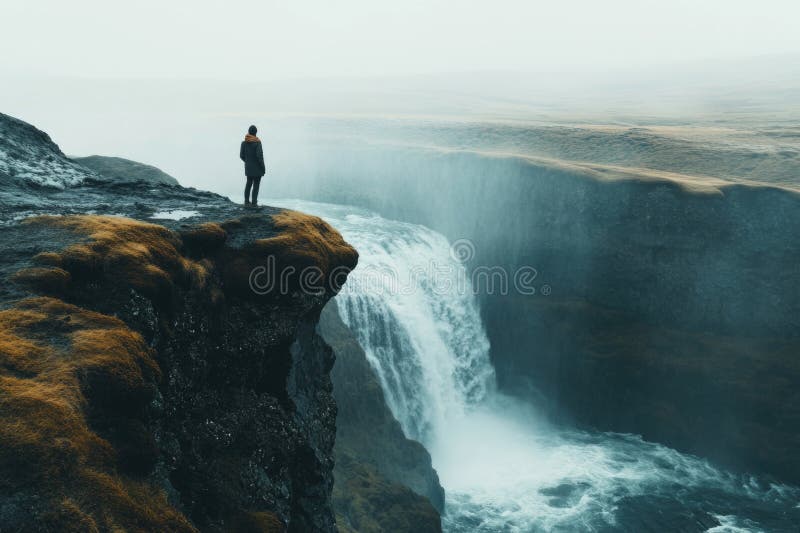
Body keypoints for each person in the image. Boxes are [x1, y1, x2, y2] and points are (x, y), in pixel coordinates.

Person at [239, 125, 266, 206]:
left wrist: (247, 162)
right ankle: (254, 202)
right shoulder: (257, 143)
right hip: (257, 168)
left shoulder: (244, 143)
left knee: (248, 184)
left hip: (248, 167)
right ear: (255, 132)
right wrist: (263, 168)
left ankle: (246, 201)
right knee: (256, 185)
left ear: (249, 132)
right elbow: (259, 156)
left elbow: (241, 155)